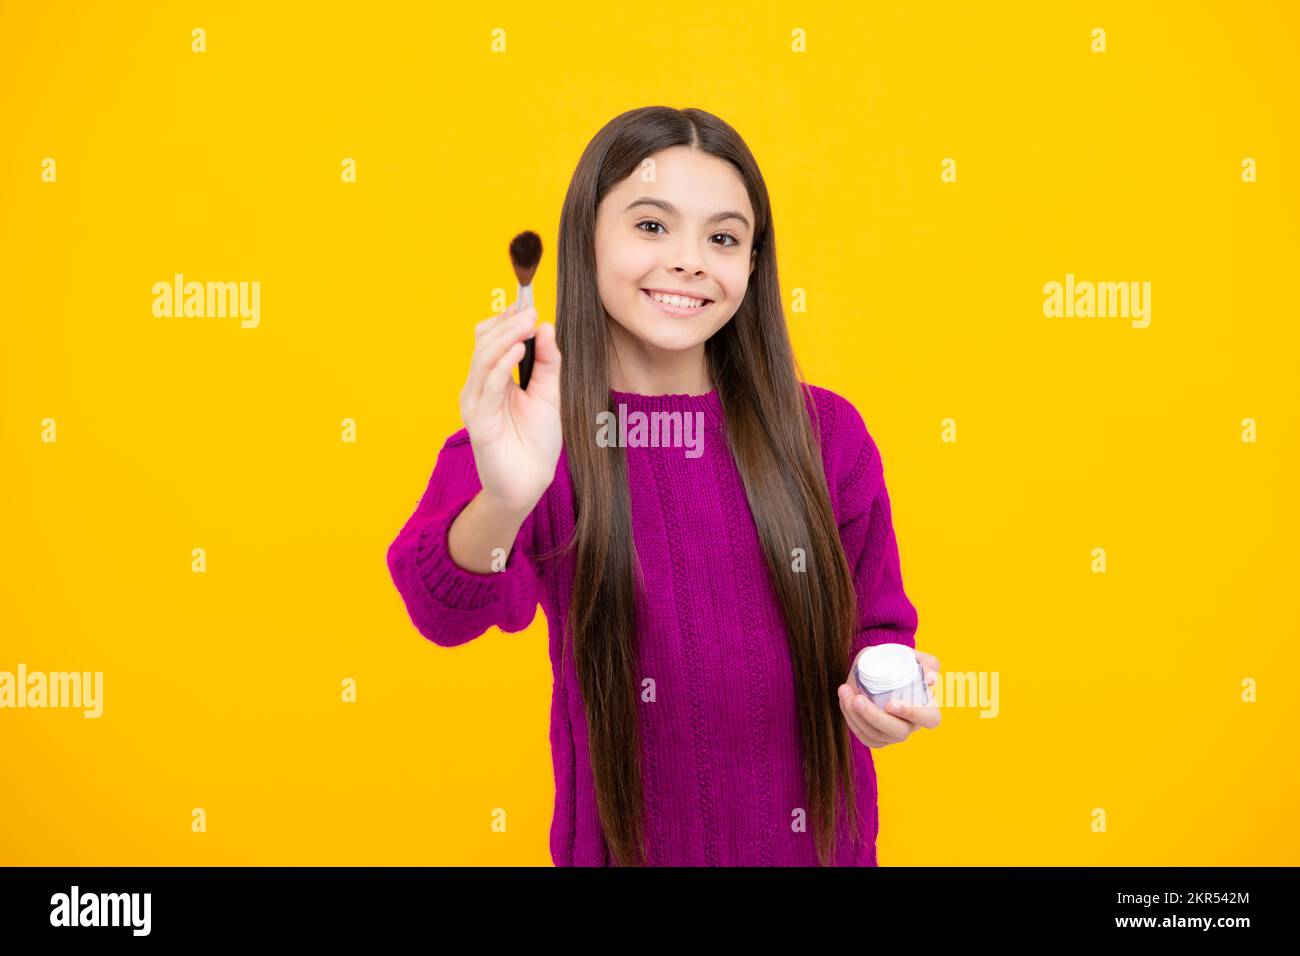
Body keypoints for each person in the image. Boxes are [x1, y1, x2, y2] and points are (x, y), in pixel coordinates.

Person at [387, 105, 940, 867]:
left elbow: (877, 629)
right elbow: (443, 608)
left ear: (753, 264)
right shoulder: (532, 434)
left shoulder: (828, 435)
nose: (689, 261)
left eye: (722, 237)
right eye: (651, 226)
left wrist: (887, 693)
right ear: (586, 239)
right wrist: (509, 497)